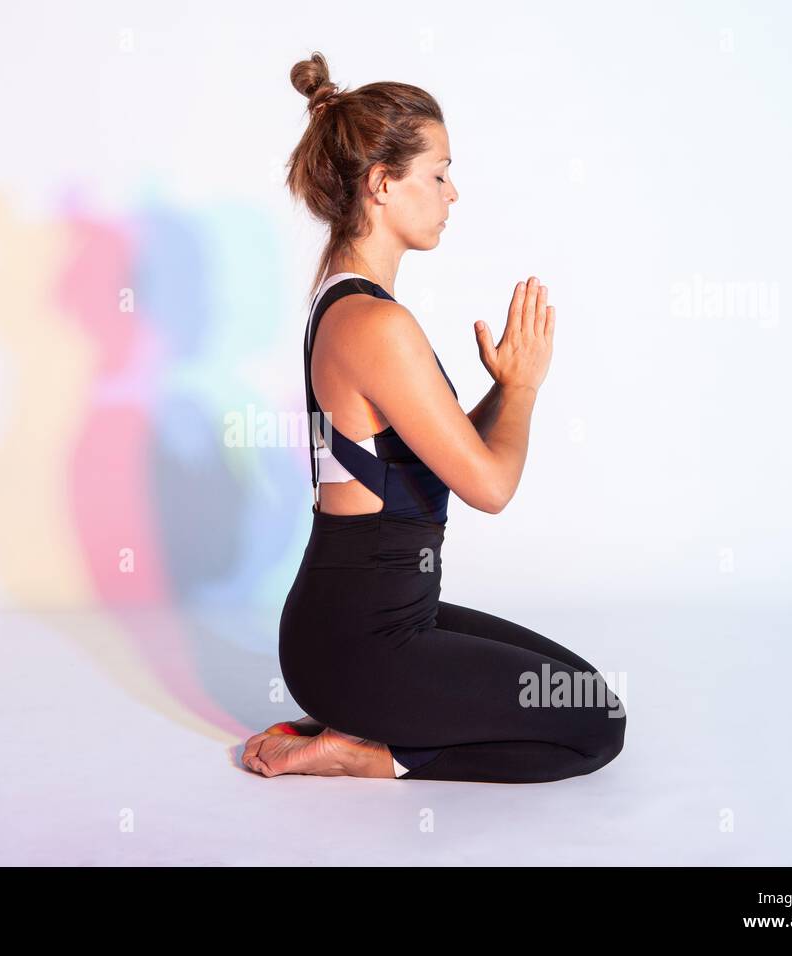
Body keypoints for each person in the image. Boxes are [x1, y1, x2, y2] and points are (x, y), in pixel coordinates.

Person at [241, 52, 626, 782]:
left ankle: (353, 719)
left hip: (372, 626)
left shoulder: (351, 305)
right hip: (361, 648)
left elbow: (430, 451)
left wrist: (503, 387)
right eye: (439, 173)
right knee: (596, 722)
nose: (453, 194)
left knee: (572, 679)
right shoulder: (374, 326)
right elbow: (490, 486)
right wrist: (526, 389)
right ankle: (372, 752)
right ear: (384, 185)